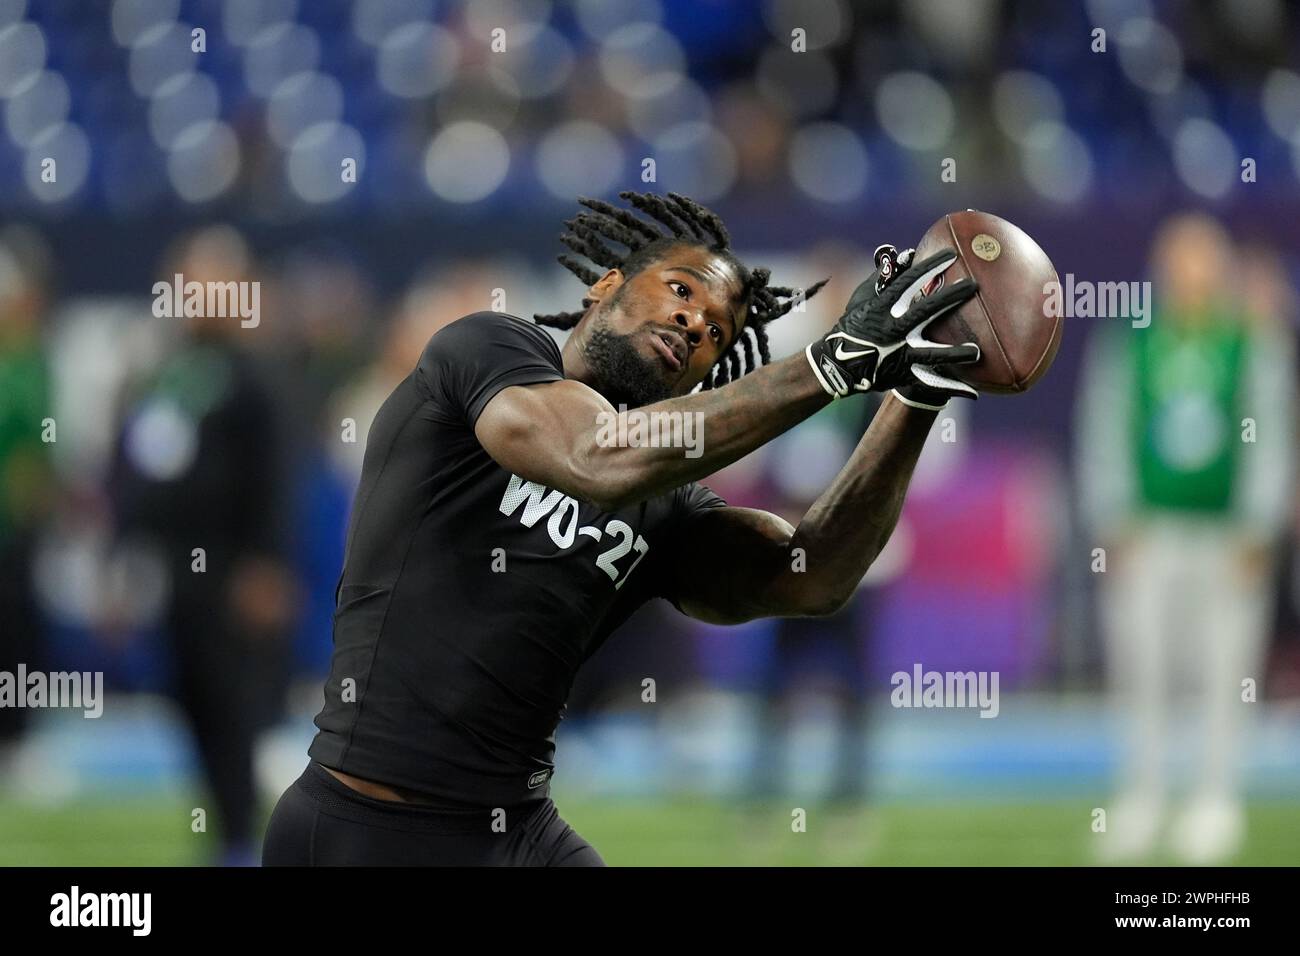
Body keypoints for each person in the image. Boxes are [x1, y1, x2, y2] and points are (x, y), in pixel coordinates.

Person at [263, 190, 983, 866]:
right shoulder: (486, 351)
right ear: (604, 286)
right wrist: (829, 363)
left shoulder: (666, 504)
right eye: (680, 290)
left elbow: (814, 576)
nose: (694, 322)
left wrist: (912, 397)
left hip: (518, 833)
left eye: (716, 331)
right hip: (362, 824)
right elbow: (591, 455)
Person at [1078, 214, 1297, 863]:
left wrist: (1259, 524)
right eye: (1181, 259)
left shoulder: (1250, 339)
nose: (1192, 273)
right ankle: (1142, 796)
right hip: (1150, 532)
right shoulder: (1133, 339)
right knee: (1142, 670)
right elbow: (1104, 427)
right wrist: (1112, 517)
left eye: (1204, 260)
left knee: (1226, 672)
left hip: (1225, 536)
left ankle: (1215, 798)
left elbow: (1270, 431)